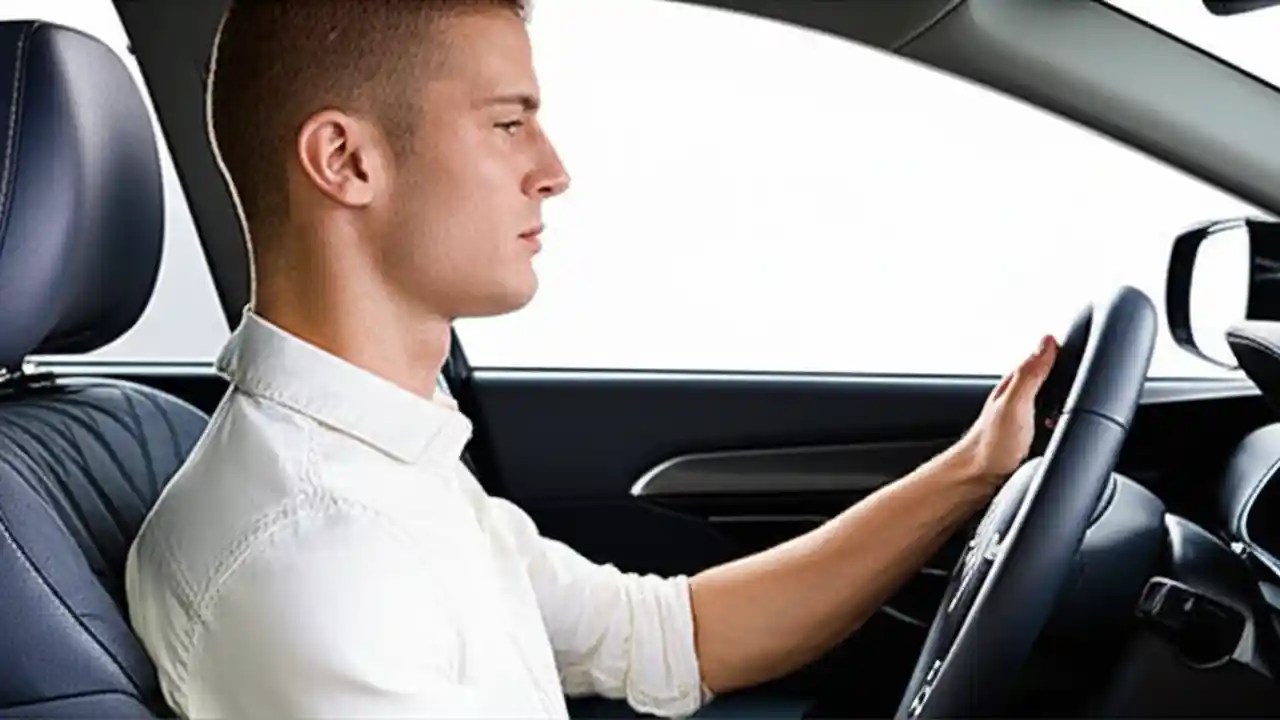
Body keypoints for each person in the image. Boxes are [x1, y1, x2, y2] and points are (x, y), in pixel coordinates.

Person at [124, 1, 1060, 717]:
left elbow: (673, 637)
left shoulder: (387, 470)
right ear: (347, 161)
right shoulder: (315, 558)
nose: (553, 167)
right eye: (506, 123)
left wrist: (971, 473)